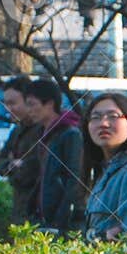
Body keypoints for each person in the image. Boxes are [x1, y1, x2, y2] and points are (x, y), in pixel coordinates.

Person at [82, 92, 127, 239]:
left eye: (113, 116)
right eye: (95, 117)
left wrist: (94, 236)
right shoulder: (104, 171)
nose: (103, 123)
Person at [23, 78, 84, 234]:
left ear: (49, 104)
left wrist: (61, 218)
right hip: (43, 216)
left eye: (32, 104)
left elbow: (74, 178)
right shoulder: (43, 133)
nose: (28, 110)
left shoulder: (70, 133)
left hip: (63, 221)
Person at [0, 76, 44, 223]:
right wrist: (10, 165)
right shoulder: (17, 130)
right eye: (6, 104)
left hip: (38, 212)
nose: (9, 109)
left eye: (13, 103)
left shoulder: (44, 131)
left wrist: (16, 167)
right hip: (19, 210)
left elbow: (31, 170)